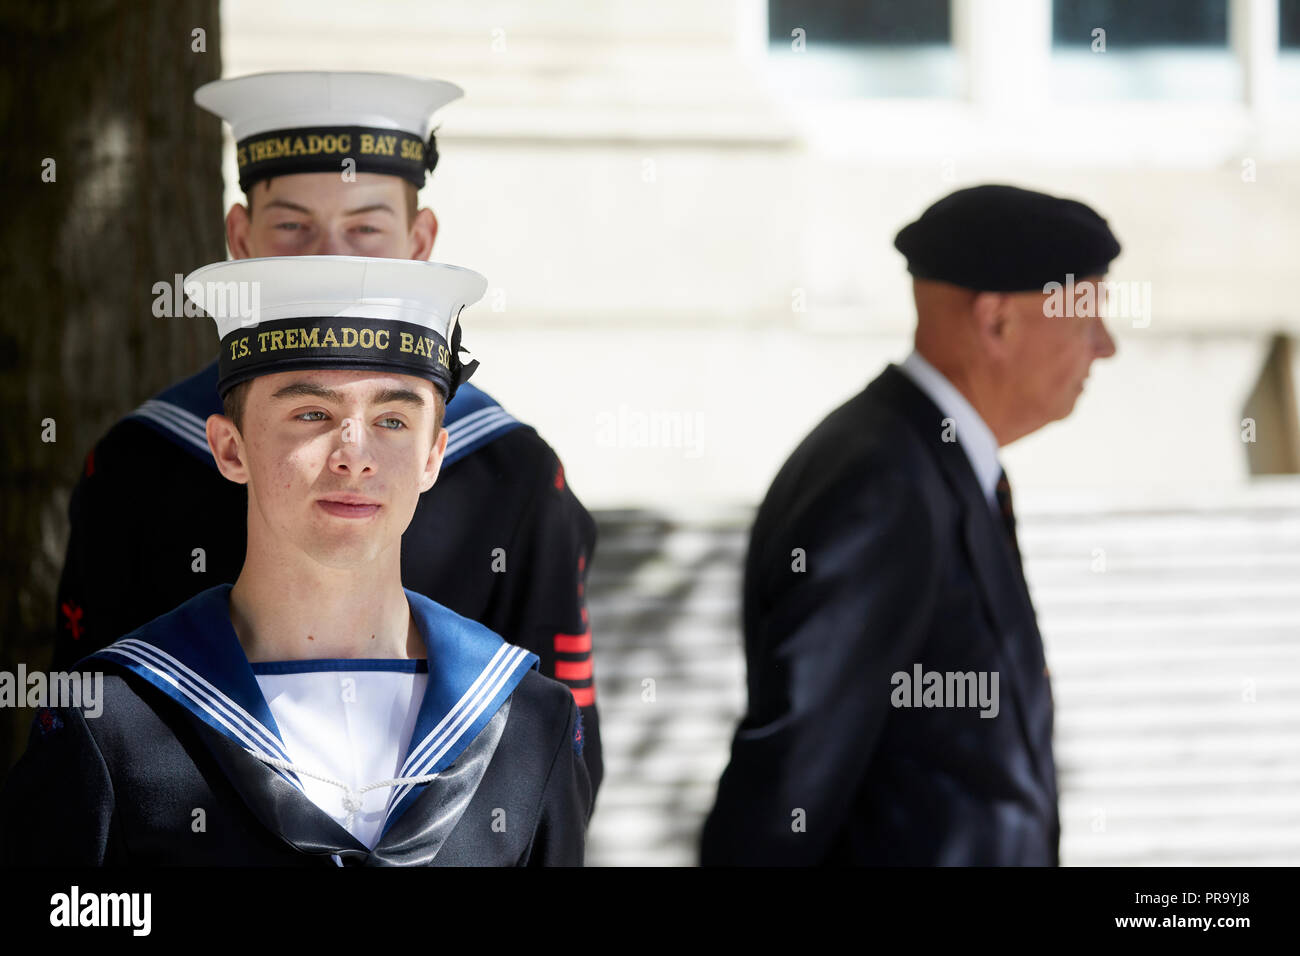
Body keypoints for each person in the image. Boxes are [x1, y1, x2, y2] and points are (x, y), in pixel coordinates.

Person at [50, 72, 602, 798]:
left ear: (420, 241)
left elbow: (559, 761)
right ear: (240, 237)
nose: (330, 255)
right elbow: (86, 736)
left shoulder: (512, 472)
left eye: (366, 228)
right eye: (292, 227)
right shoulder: (137, 465)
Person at [3, 256, 590, 865]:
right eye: (312, 415)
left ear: (432, 456)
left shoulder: (526, 724)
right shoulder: (113, 725)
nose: (355, 456)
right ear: (230, 449)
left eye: (392, 420)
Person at [700, 184, 1121, 865]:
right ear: (997, 324)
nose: (1106, 347)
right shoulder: (880, 483)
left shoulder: (930, 460)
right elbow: (790, 779)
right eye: (1085, 318)